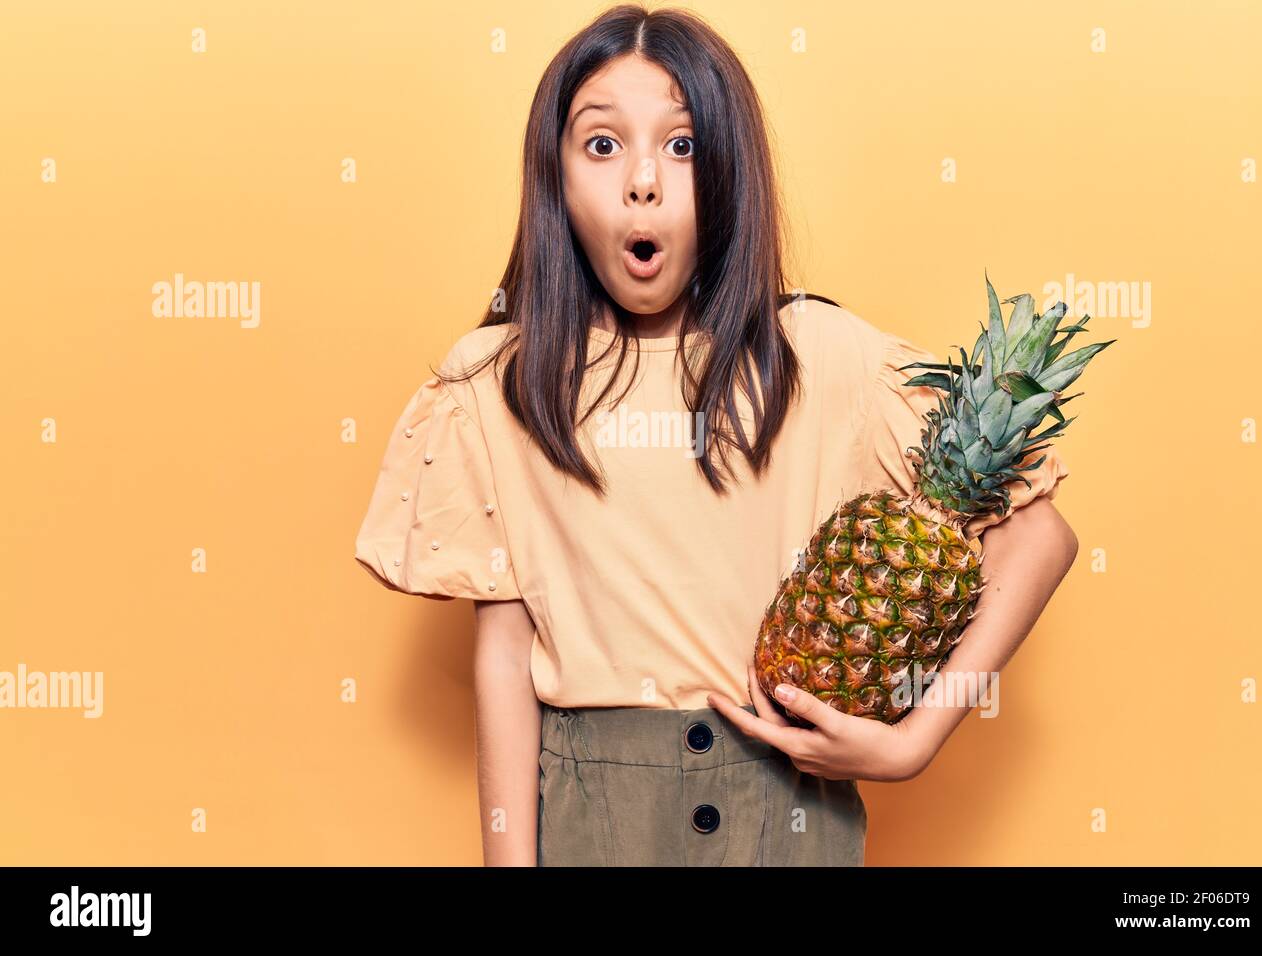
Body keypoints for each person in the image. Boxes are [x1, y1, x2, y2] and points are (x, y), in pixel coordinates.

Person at [353, 4, 1078, 867]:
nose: (644, 182)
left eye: (684, 145)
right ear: (554, 177)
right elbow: (506, 661)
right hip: (592, 819)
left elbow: (1037, 531)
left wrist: (913, 740)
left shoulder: (822, 357)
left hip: (785, 810)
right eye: (602, 144)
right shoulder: (498, 382)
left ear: (731, 170)